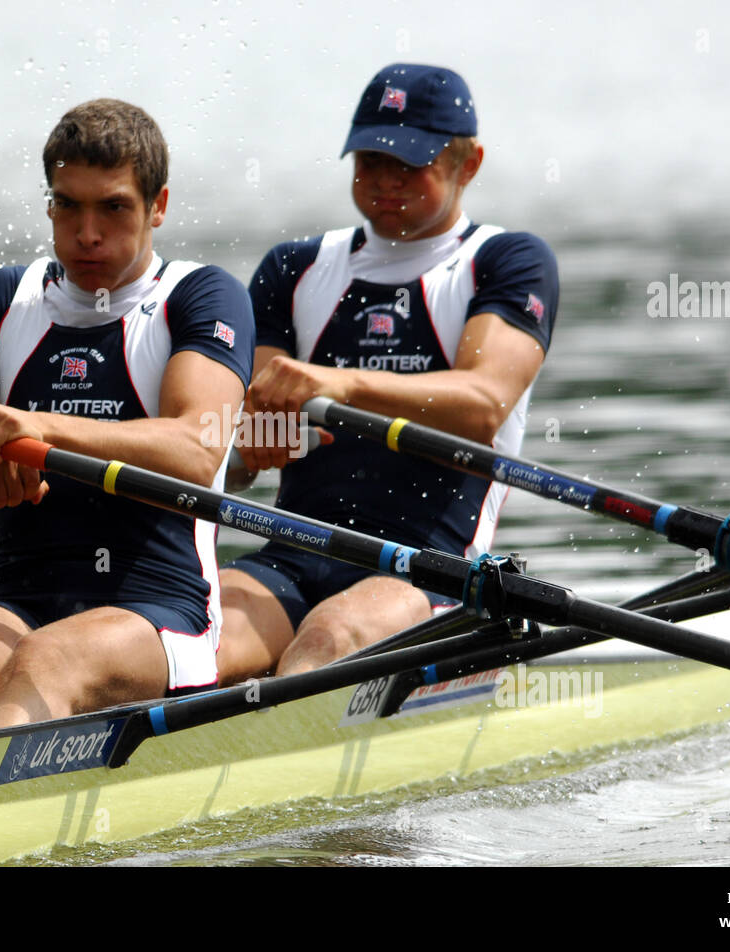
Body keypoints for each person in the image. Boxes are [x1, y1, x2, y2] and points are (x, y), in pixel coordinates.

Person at [0, 99, 254, 764]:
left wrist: (34, 429)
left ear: (157, 206)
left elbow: (196, 451)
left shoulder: (201, 297)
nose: (87, 232)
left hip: (160, 612)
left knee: (47, 657)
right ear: (48, 204)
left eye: (113, 207)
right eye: (67, 206)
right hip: (17, 599)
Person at [216, 63, 559, 681]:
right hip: (292, 555)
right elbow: (253, 429)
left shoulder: (504, 261)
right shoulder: (293, 269)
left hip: (430, 569)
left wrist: (338, 383)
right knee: (202, 640)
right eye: (371, 160)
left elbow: (482, 403)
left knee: (328, 637)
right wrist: (250, 443)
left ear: (469, 164)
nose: (385, 182)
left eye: (411, 165)